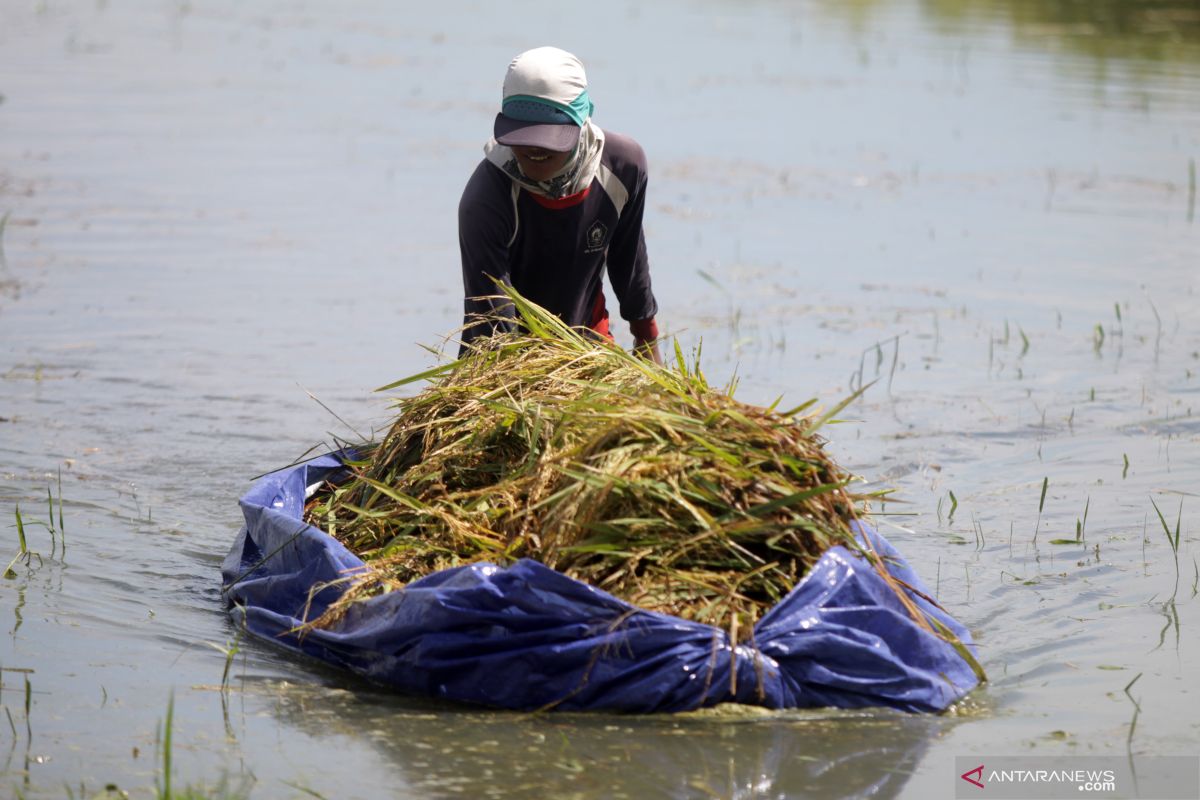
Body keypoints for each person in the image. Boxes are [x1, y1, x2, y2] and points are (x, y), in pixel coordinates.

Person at [458, 46, 662, 364]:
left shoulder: (621, 167)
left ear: (582, 121)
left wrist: (647, 339)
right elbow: (492, 318)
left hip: (587, 348)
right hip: (500, 358)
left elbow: (629, 258)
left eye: (549, 138)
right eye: (523, 138)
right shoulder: (487, 199)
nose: (534, 149)